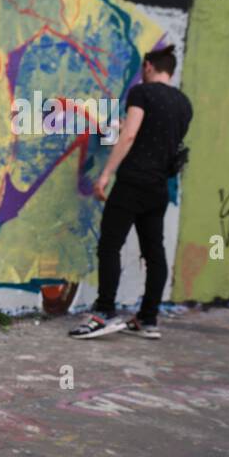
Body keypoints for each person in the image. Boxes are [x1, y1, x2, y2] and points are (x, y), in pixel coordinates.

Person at [70, 45, 191, 340]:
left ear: (148, 66)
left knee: (110, 245)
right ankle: (148, 319)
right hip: (158, 188)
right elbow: (159, 138)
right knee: (154, 252)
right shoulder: (184, 104)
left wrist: (105, 174)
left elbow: (131, 134)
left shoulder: (142, 93)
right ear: (171, 70)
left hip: (132, 182)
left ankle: (103, 312)